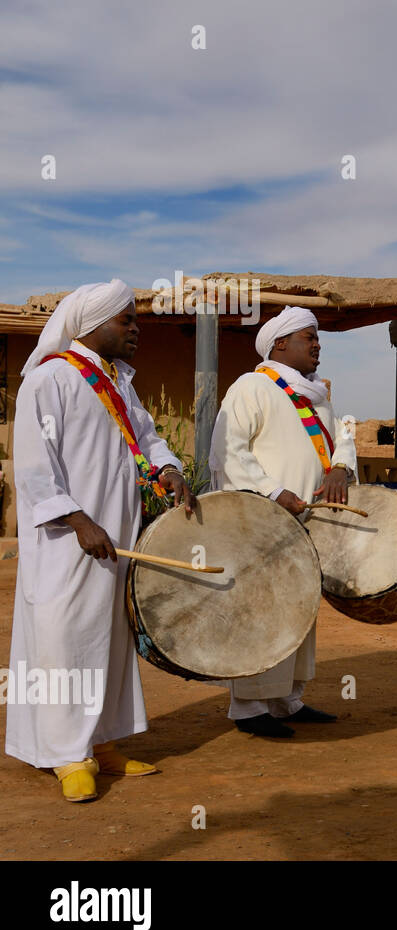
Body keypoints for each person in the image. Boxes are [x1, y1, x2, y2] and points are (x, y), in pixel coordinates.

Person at [6, 279, 197, 802]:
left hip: (117, 539)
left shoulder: (120, 383)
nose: (136, 329)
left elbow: (148, 436)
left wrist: (168, 469)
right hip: (69, 542)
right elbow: (33, 466)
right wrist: (77, 520)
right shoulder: (49, 381)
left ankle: (103, 743)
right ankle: (68, 756)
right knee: (65, 641)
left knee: (108, 643)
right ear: (91, 326)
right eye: (126, 320)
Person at [209, 307, 357, 738]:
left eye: (318, 339)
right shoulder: (252, 387)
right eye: (307, 338)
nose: (317, 345)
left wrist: (340, 470)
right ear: (279, 344)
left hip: (310, 523)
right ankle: (248, 706)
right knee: (262, 608)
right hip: (264, 521)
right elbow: (228, 452)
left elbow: (342, 441)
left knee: (300, 608)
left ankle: (286, 699)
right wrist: (274, 493)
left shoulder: (318, 396)